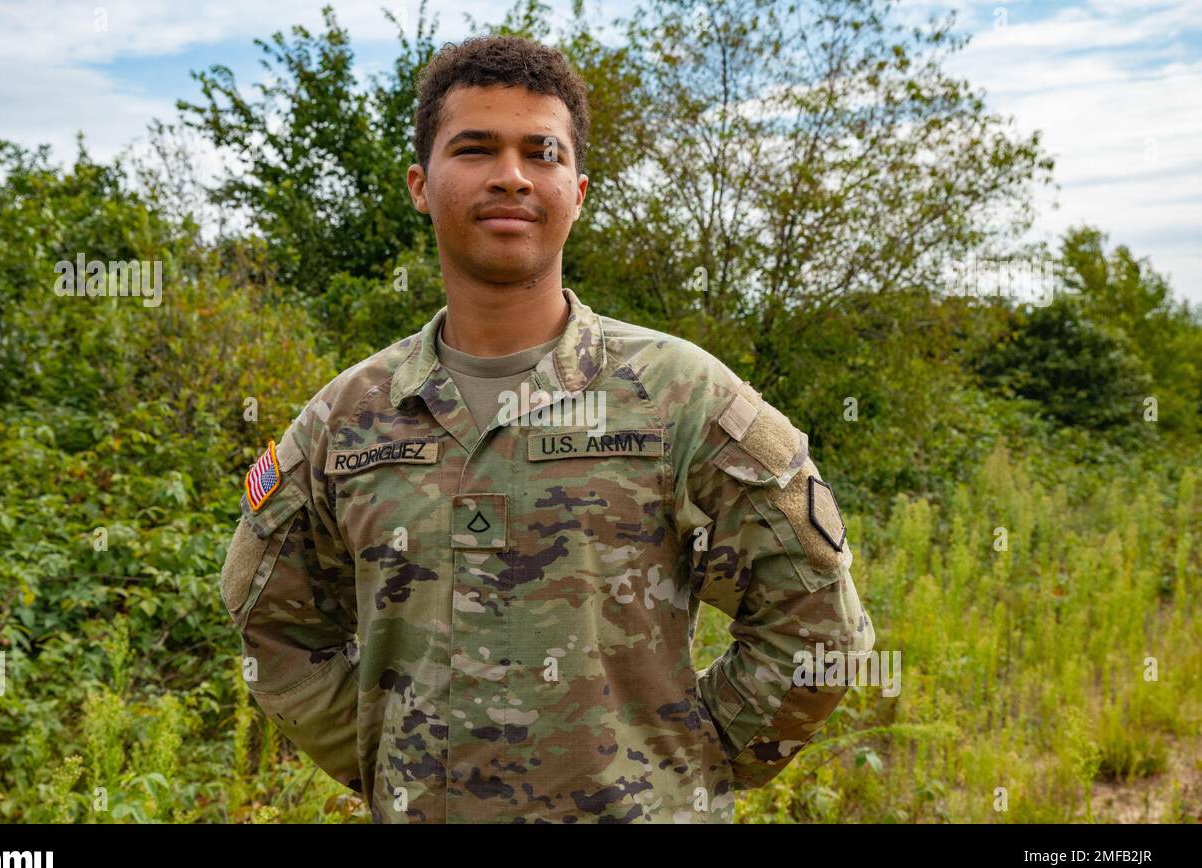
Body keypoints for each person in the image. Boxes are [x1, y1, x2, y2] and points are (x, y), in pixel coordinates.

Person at [219, 34, 875, 824]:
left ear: (579, 189)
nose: (510, 176)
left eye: (542, 151)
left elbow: (817, 620)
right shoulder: (344, 419)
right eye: (474, 148)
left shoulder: (681, 396)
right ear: (421, 185)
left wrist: (689, 760)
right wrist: (388, 757)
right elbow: (271, 618)